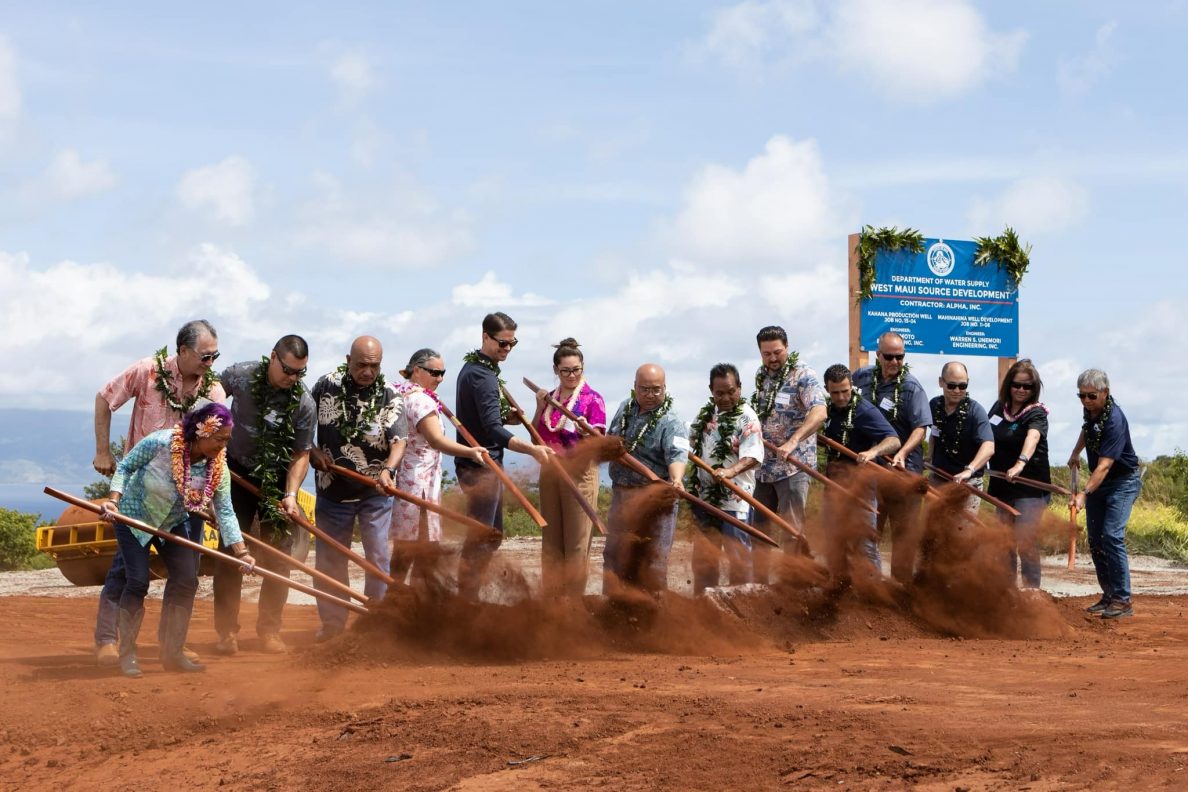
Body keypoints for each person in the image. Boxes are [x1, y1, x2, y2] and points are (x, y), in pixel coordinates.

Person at [91, 319, 226, 667]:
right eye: (205, 357)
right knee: (128, 573)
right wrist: (103, 451)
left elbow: (217, 450)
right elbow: (105, 398)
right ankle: (108, 640)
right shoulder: (147, 371)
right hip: (141, 498)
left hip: (184, 504)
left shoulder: (212, 392)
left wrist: (210, 500)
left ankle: (172, 649)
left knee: (185, 577)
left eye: (215, 357)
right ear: (182, 351)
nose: (210, 364)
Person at [97, 403, 254, 678]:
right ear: (202, 431)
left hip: (174, 522)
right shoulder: (159, 443)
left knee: (186, 580)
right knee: (137, 581)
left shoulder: (217, 468)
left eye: (227, 440)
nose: (223, 445)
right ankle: (128, 655)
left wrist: (241, 553)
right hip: (136, 519)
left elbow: (226, 511)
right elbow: (124, 469)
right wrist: (113, 502)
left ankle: (173, 653)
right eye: (219, 439)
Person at [214, 335, 316, 654]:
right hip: (235, 472)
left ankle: (269, 630)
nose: (292, 378)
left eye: (300, 372)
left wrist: (290, 494)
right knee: (231, 551)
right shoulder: (240, 375)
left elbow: (301, 453)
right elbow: (211, 397)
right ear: (273, 358)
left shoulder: (303, 402)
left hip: (276, 481)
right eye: (288, 370)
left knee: (279, 557)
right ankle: (226, 632)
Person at [308, 336, 408, 641]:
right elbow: (301, 423)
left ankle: (373, 623)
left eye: (374, 366)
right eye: (362, 364)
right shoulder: (326, 385)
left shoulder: (390, 395)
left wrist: (389, 470)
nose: (368, 371)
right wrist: (311, 451)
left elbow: (399, 440)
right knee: (329, 559)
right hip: (332, 490)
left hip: (375, 492)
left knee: (377, 557)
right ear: (348, 359)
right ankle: (333, 624)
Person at [454, 313, 554, 600]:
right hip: (481, 465)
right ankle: (467, 597)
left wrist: (506, 418)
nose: (507, 349)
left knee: (491, 535)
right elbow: (492, 430)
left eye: (512, 344)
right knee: (483, 535)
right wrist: (531, 449)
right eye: (502, 343)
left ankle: (468, 592)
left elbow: (489, 420)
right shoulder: (482, 375)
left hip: (482, 462)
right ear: (485, 336)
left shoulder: (477, 369)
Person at [389, 349, 486, 584]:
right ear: (417, 371)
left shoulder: (400, 395)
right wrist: (470, 451)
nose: (440, 378)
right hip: (419, 485)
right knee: (422, 549)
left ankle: (396, 598)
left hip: (407, 481)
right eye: (435, 373)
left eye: (443, 373)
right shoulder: (421, 400)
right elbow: (436, 440)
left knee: (405, 548)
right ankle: (414, 603)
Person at [851, 331, 932, 584]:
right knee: (867, 531)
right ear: (878, 355)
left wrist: (903, 452)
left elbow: (921, 428)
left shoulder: (912, 387)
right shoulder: (861, 378)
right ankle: (868, 585)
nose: (895, 362)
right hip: (869, 472)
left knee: (903, 535)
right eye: (889, 356)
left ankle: (902, 590)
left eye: (900, 357)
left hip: (903, 474)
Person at [531, 338, 607, 598]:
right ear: (556, 371)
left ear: (582, 368)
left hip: (579, 474)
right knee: (551, 544)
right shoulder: (550, 400)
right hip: (551, 472)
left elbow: (597, 444)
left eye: (576, 369)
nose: (572, 375)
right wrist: (540, 408)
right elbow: (536, 438)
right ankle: (551, 602)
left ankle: (573, 604)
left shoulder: (593, 400)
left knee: (576, 544)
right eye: (566, 371)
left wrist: (584, 432)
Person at [750, 326, 826, 581]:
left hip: (793, 466)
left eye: (777, 352)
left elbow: (820, 411)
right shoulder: (763, 375)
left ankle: (793, 585)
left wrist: (793, 441)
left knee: (791, 530)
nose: (772, 358)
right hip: (764, 467)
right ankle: (758, 587)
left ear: (788, 346)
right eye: (766, 354)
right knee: (758, 528)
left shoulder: (803, 375)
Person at [605, 363, 688, 596]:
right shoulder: (625, 408)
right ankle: (611, 606)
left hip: (655, 499)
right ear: (634, 387)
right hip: (622, 493)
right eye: (645, 389)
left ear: (665, 388)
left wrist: (677, 479)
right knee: (614, 555)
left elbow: (677, 454)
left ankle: (655, 616)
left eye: (657, 389)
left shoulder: (672, 421)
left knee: (653, 560)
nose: (651, 395)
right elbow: (612, 439)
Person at [1068, 369, 1142, 619]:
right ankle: (1109, 595)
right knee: (1096, 540)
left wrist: (1084, 494)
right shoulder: (1090, 412)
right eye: (1081, 396)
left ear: (1105, 393)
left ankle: (1123, 600)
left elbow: (1105, 465)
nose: (1086, 401)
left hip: (1122, 481)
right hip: (1100, 483)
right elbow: (1086, 430)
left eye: (1091, 396)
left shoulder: (1114, 420)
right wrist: (1076, 452)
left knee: (1111, 536)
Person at [686, 363, 763, 595]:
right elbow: (689, 443)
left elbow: (752, 456)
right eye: (720, 393)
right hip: (705, 498)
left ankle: (743, 604)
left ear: (739, 388)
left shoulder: (747, 418)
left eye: (731, 391)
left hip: (735, 499)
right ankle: (703, 603)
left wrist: (729, 472)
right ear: (711, 390)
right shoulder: (704, 414)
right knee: (704, 556)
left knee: (737, 554)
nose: (727, 397)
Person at [821, 364, 901, 572]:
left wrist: (873, 453)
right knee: (833, 538)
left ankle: (873, 590)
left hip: (861, 487)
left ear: (852, 387)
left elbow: (893, 440)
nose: (840, 397)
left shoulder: (865, 411)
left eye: (845, 391)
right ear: (827, 390)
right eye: (835, 392)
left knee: (865, 543)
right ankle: (838, 585)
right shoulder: (826, 410)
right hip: (834, 484)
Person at [987, 359, 1052, 589]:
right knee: (1004, 541)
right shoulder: (998, 408)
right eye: (1017, 385)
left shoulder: (1036, 413)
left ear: (1034, 389)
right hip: (1002, 487)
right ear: (1009, 385)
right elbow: (985, 437)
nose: (1021, 390)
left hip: (1030, 488)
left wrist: (1020, 463)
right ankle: (1007, 591)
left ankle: (1031, 592)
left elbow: (1032, 438)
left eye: (1027, 387)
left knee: (1025, 540)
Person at [928, 362, 995, 513]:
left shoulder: (976, 411)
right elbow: (934, 432)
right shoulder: (933, 405)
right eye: (951, 385)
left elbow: (989, 447)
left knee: (962, 532)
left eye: (962, 386)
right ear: (941, 382)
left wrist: (969, 470)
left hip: (967, 483)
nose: (957, 390)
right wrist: (929, 455)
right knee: (932, 529)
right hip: (938, 479)